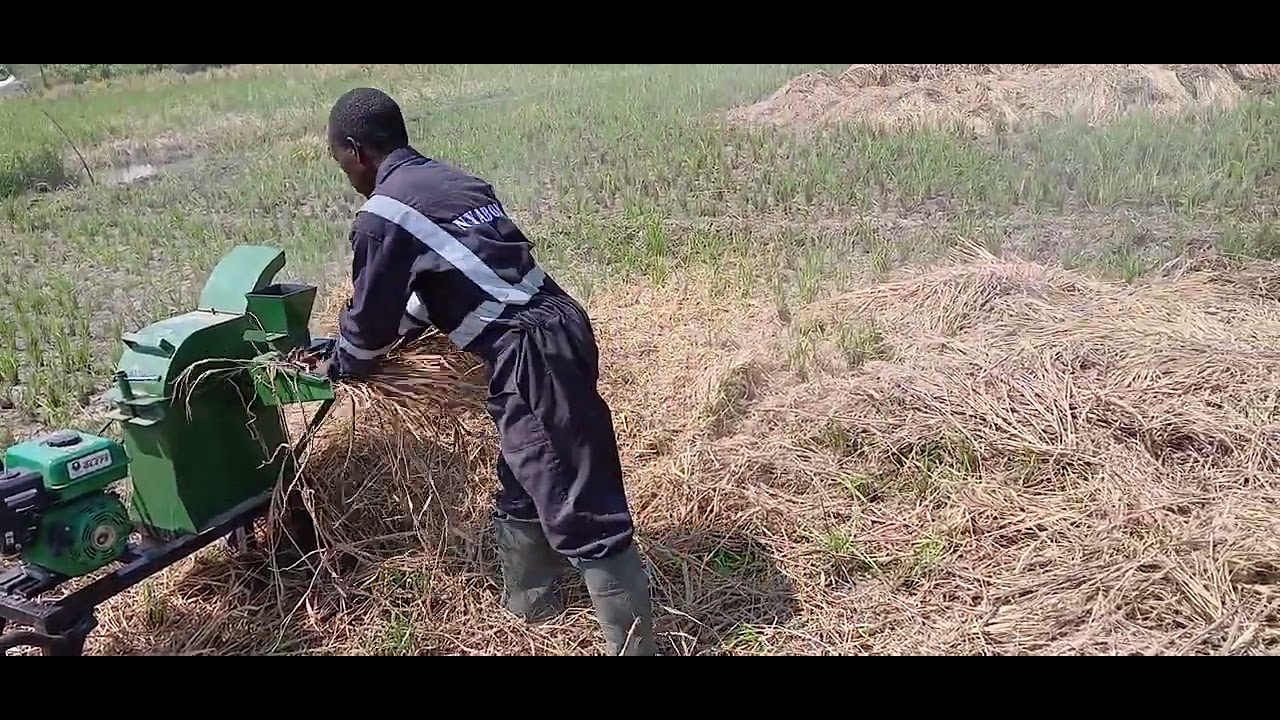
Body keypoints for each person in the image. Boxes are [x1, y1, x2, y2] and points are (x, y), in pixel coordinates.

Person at [319, 87, 657, 656]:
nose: (347, 175)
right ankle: (530, 608)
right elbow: (449, 280)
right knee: (526, 472)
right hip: (560, 322)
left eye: (341, 161)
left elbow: (369, 325)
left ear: (357, 150)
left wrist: (341, 364)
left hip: (528, 350)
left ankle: (636, 647)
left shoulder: (384, 214)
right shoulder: (454, 182)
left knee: (581, 500)